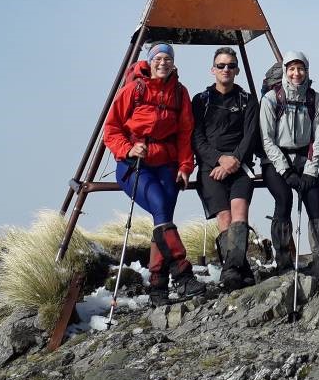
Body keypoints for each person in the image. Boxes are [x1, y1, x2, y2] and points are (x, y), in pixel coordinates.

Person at [102, 43, 207, 305]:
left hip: (167, 165)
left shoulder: (180, 94)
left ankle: (157, 287)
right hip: (135, 166)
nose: (163, 63)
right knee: (160, 208)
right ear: (150, 62)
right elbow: (111, 129)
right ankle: (183, 276)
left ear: (173, 63)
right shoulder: (133, 89)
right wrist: (128, 149)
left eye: (168, 59)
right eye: (158, 58)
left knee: (163, 219)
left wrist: (185, 167)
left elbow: (185, 133)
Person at [258, 51, 319, 281]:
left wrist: (310, 171)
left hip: (304, 159)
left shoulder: (315, 99)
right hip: (274, 161)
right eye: (291, 69)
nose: (296, 73)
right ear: (285, 71)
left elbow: (318, 140)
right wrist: (286, 171)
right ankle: (283, 262)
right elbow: (267, 140)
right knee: (284, 199)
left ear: (306, 71)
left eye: (300, 69)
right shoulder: (271, 99)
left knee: (314, 201)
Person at [192, 46, 259, 291]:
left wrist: (233, 162)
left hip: (240, 167)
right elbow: (197, 138)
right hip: (210, 169)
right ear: (213, 70)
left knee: (240, 215)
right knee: (225, 217)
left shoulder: (248, 100)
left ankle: (231, 272)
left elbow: (251, 135)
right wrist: (220, 160)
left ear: (237, 70)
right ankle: (242, 270)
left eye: (231, 65)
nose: (226, 69)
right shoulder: (201, 101)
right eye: (221, 65)